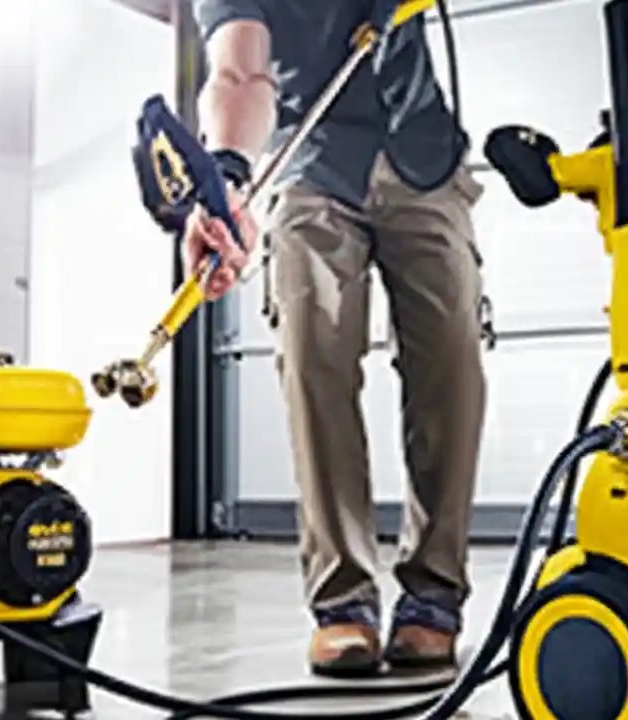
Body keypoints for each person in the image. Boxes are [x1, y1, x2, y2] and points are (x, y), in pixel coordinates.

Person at [186, 0, 487, 678]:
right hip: (315, 165)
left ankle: (433, 597)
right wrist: (226, 178)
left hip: (424, 159)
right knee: (313, 357)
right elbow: (239, 73)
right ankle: (343, 602)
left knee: (453, 364)